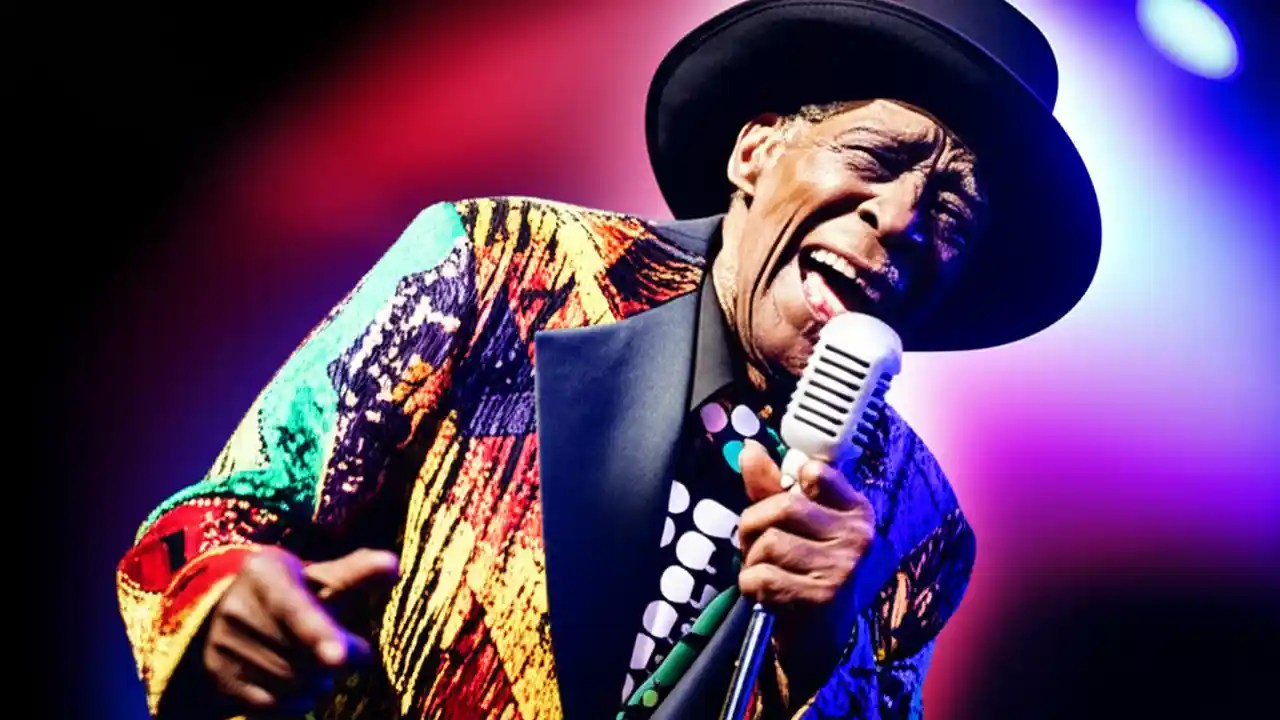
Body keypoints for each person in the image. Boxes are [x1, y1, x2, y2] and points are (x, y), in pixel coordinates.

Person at [116, 0, 1100, 717]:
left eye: (951, 213)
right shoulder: (498, 263)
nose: (898, 218)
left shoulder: (919, 525)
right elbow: (223, 515)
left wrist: (820, 646)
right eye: (876, 160)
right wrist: (220, 603)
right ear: (754, 153)